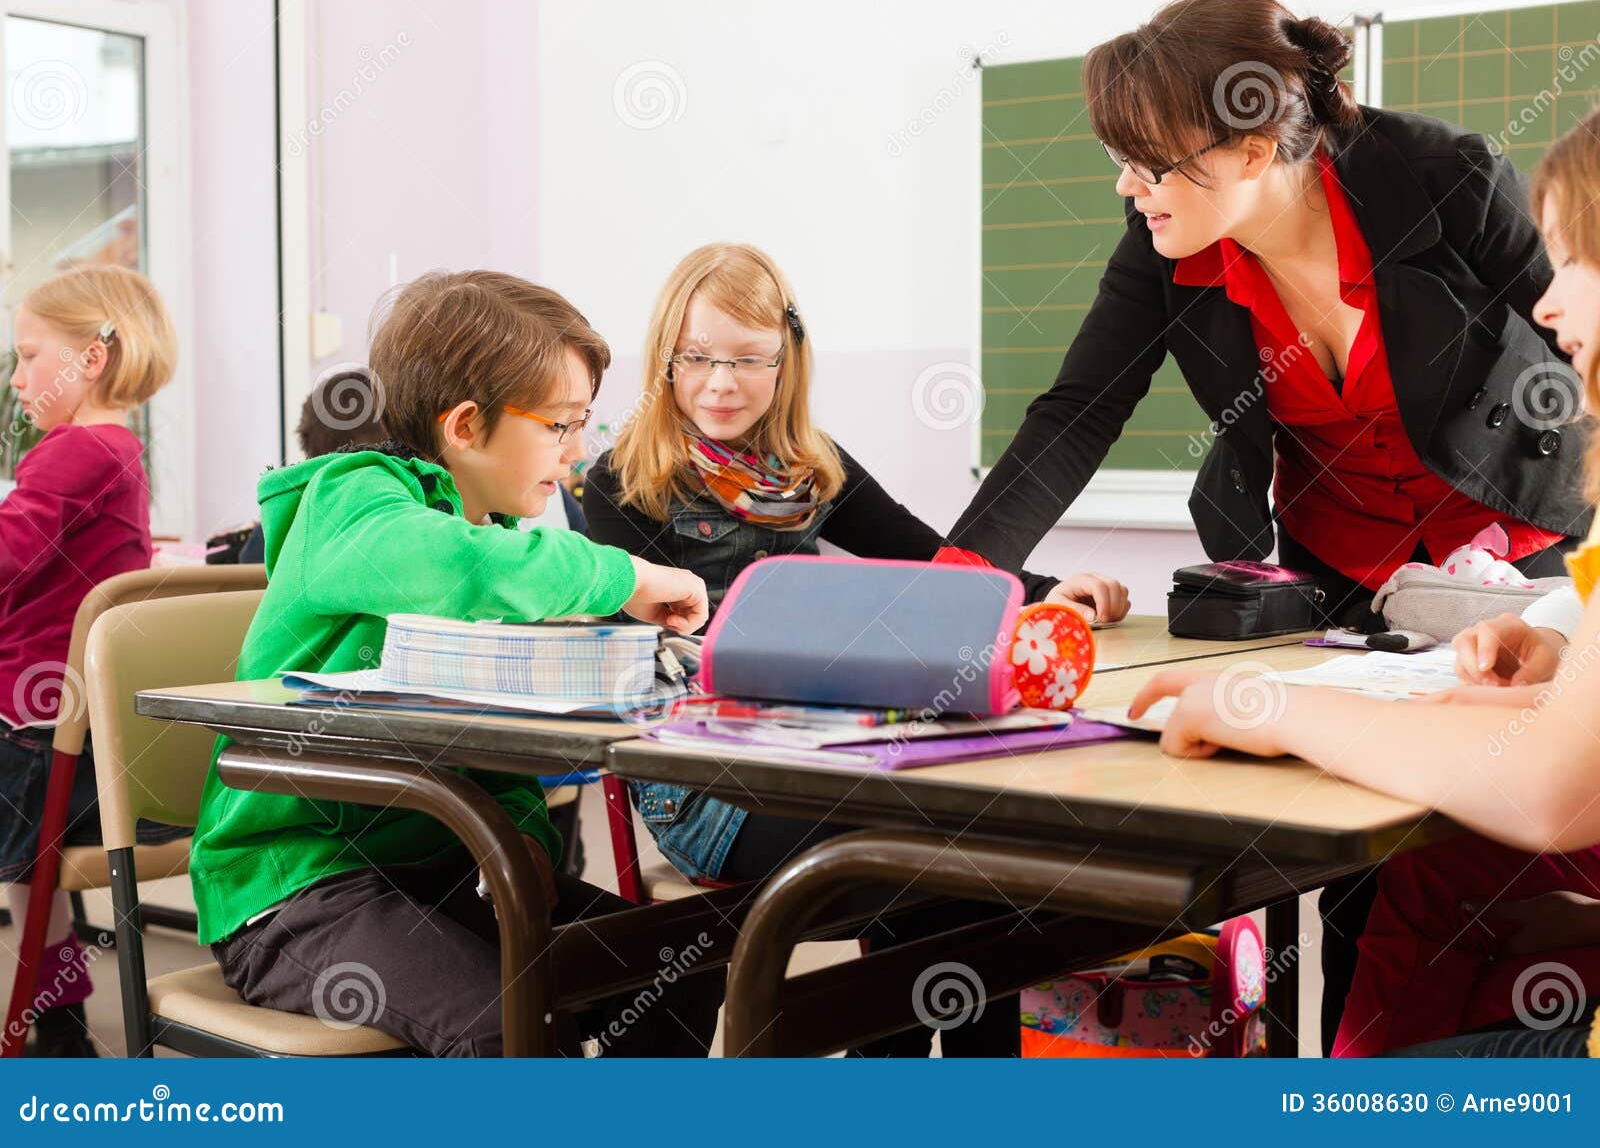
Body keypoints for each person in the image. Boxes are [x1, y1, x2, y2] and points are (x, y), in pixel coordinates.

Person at [947, 0, 1590, 1048]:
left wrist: (1549, 567)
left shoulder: (1438, 179)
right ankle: (1346, 1063)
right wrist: (957, 585)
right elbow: (1077, 411)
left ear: (1248, 148)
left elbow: (1574, 331)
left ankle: (1489, 1055)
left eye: (1149, 162)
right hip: (1338, 570)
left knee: (1489, 849)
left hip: (1518, 562)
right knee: (1345, 861)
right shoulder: (1164, 242)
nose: (1127, 186)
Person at [1127, 105, 1600, 1058]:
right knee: (1440, 877)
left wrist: (1258, 705)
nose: (1545, 307)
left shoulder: (1432, 179)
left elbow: (1553, 786)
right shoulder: (1173, 255)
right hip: (1357, 580)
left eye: (1574, 263)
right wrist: (1556, 635)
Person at [584, 241, 1131, 1056]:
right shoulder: (622, 482)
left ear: (787, 360)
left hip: (831, 751)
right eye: (696, 357)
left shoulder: (812, 466)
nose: (721, 382)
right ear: (666, 360)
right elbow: (659, 643)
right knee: (937, 844)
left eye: (748, 358)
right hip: (707, 782)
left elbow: (934, 559)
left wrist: (1049, 589)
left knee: (965, 846)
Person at [188, 270, 720, 1057]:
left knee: (675, 964)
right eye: (560, 425)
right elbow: (462, 566)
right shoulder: (353, 499)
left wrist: (529, 838)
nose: (577, 452)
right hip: (294, 889)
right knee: (502, 1019)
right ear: (467, 425)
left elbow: (492, 736)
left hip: (440, 867)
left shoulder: (491, 533)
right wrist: (628, 575)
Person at [1, 265, 189, 1055]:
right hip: (78, 751)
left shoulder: (72, 452)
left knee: (19, 864)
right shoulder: (115, 451)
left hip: (45, 755)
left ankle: (63, 1029)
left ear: (91, 360)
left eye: (28, 355)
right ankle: (64, 1026)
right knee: (22, 874)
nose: (15, 378)